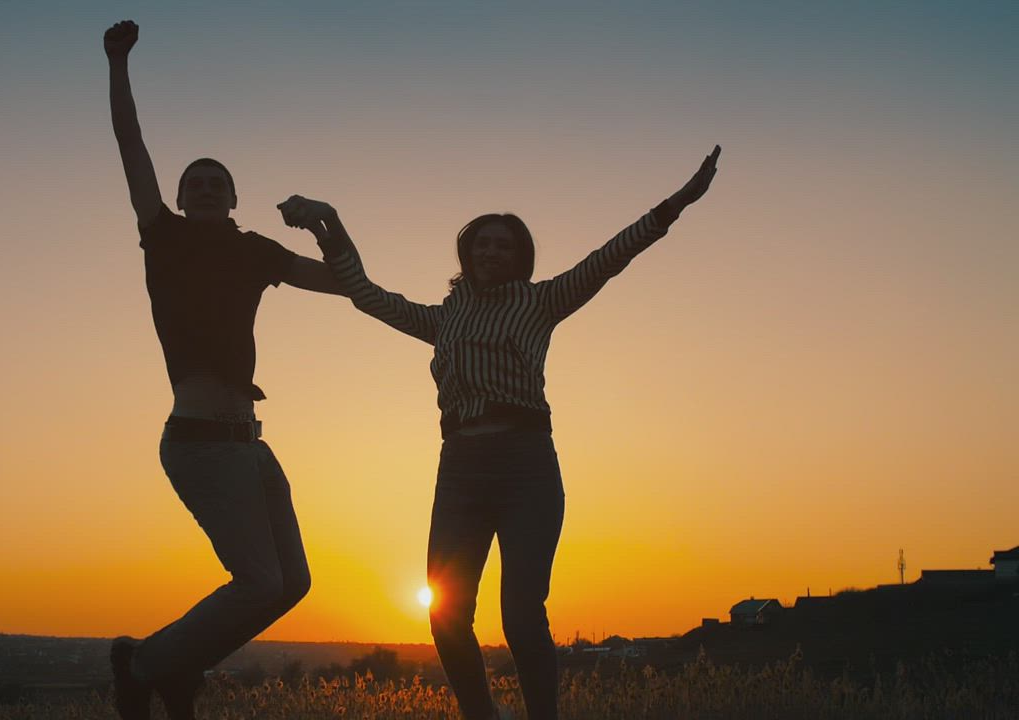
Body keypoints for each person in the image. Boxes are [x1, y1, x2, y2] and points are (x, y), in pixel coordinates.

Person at [279, 145, 720, 720]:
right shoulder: (444, 318)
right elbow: (365, 295)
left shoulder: (542, 302)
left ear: (521, 258)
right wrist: (326, 222)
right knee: (446, 614)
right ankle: (481, 714)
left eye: (503, 244)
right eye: (481, 242)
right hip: (459, 467)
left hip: (526, 464)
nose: (490, 250)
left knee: (521, 615)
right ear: (466, 252)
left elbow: (611, 256)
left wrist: (678, 203)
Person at [102, 19, 344, 720]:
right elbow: (130, 144)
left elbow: (340, 283)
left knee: (291, 583)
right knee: (257, 578)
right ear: (179, 198)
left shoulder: (256, 251)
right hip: (201, 441)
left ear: (234, 198)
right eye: (194, 183)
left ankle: (179, 667)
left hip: (252, 445)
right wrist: (118, 63)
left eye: (218, 183)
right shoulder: (164, 238)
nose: (206, 189)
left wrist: (329, 223)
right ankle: (143, 663)